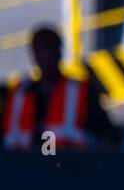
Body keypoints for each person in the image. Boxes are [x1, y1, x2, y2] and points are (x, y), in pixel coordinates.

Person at [3, 23, 114, 151]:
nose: (45, 56)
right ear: (33, 54)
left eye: (49, 48)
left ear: (59, 51)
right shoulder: (19, 94)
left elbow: (107, 136)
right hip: (24, 167)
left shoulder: (81, 91)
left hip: (71, 166)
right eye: (39, 50)